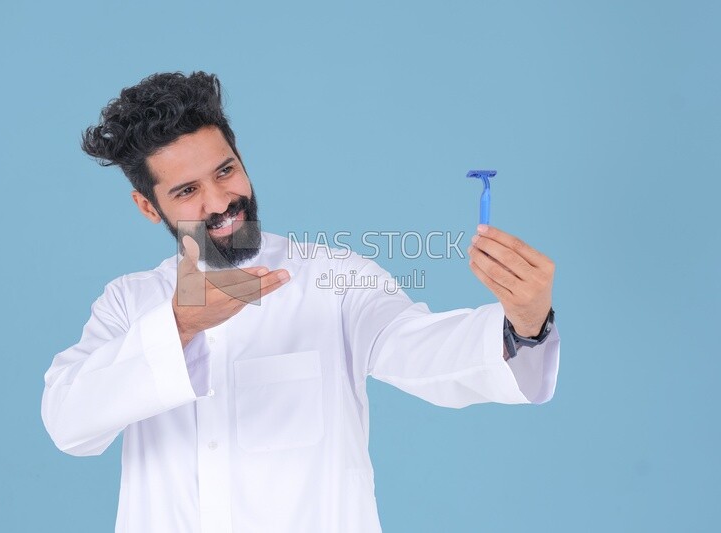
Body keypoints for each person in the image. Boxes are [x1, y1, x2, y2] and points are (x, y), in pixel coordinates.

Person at [41, 71, 560, 533]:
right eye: (186, 191)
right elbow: (69, 422)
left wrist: (526, 322)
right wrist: (177, 325)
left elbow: (423, 350)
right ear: (147, 206)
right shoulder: (129, 304)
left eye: (225, 171)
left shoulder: (334, 278)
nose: (220, 202)